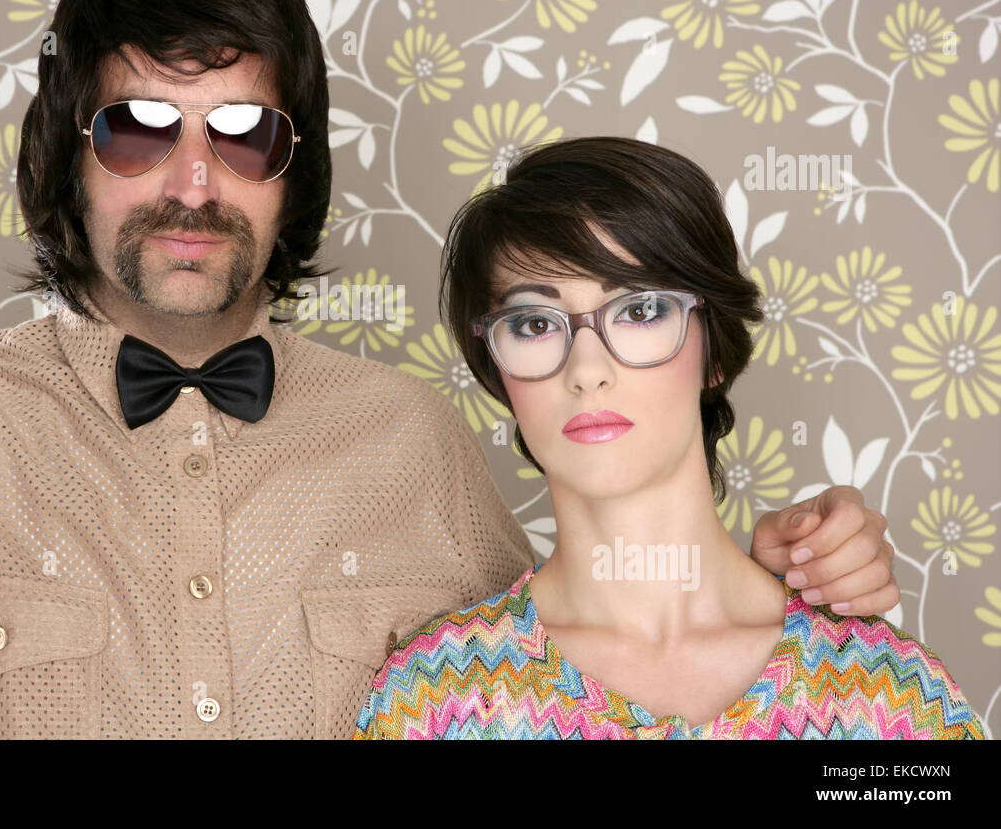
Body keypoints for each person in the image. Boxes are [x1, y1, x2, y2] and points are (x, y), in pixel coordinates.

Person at [0, 0, 896, 740]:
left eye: (243, 133)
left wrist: (778, 565)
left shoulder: (414, 436)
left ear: (294, 170)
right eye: (136, 125)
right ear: (66, 149)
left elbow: (567, 678)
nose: (191, 179)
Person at [354, 137, 984, 739]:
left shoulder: (888, 695)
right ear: (497, 367)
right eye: (535, 322)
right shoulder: (431, 701)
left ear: (714, 349)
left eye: (640, 310)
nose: (588, 370)